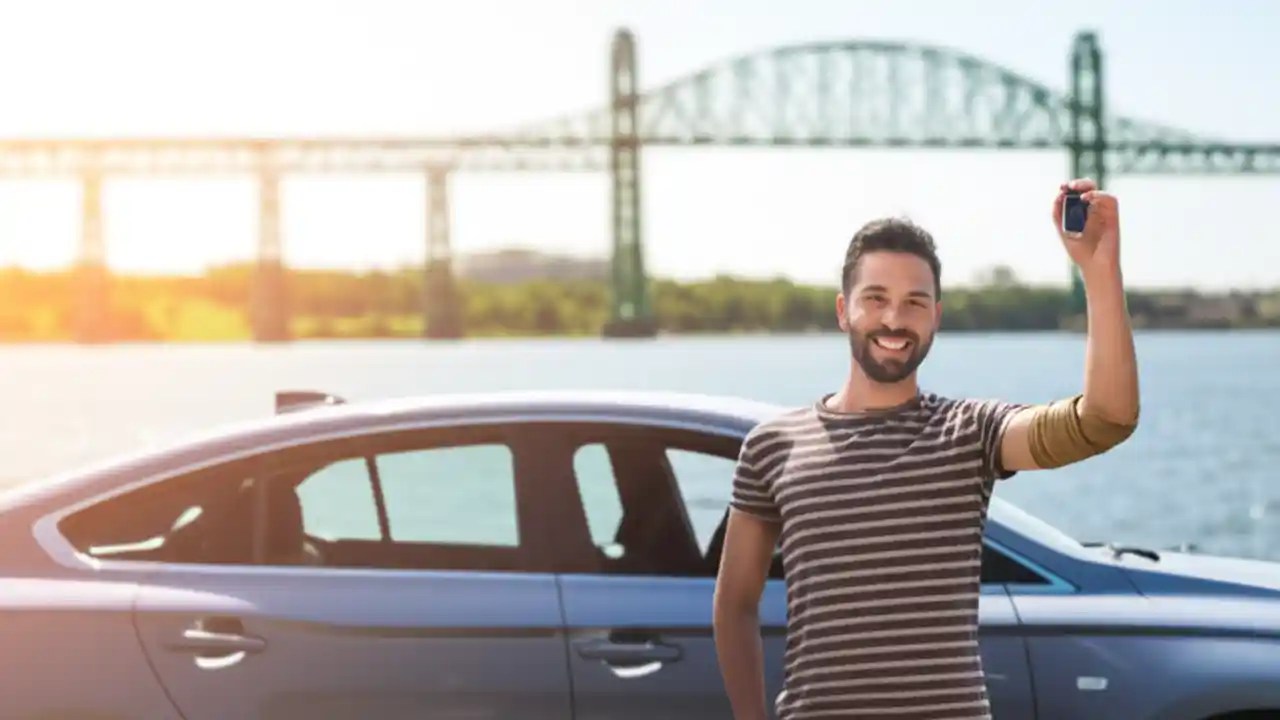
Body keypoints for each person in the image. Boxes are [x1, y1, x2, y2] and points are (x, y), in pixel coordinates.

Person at [712, 178, 1140, 720]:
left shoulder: (969, 432)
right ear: (844, 311)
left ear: (936, 316)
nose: (894, 320)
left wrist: (1100, 272)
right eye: (876, 299)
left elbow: (1104, 420)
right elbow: (734, 605)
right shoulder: (772, 446)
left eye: (915, 302)